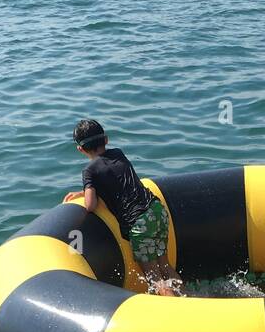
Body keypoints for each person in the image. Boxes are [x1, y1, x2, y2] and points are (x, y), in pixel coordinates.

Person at [62, 119, 182, 295]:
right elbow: (114, 180)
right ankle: (188, 300)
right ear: (107, 140)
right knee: (165, 266)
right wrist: (87, 191)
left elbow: (90, 205)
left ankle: (177, 315)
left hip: (140, 224)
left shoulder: (89, 171)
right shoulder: (119, 153)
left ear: (80, 149)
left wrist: (86, 192)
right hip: (157, 210)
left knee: (154, 277)